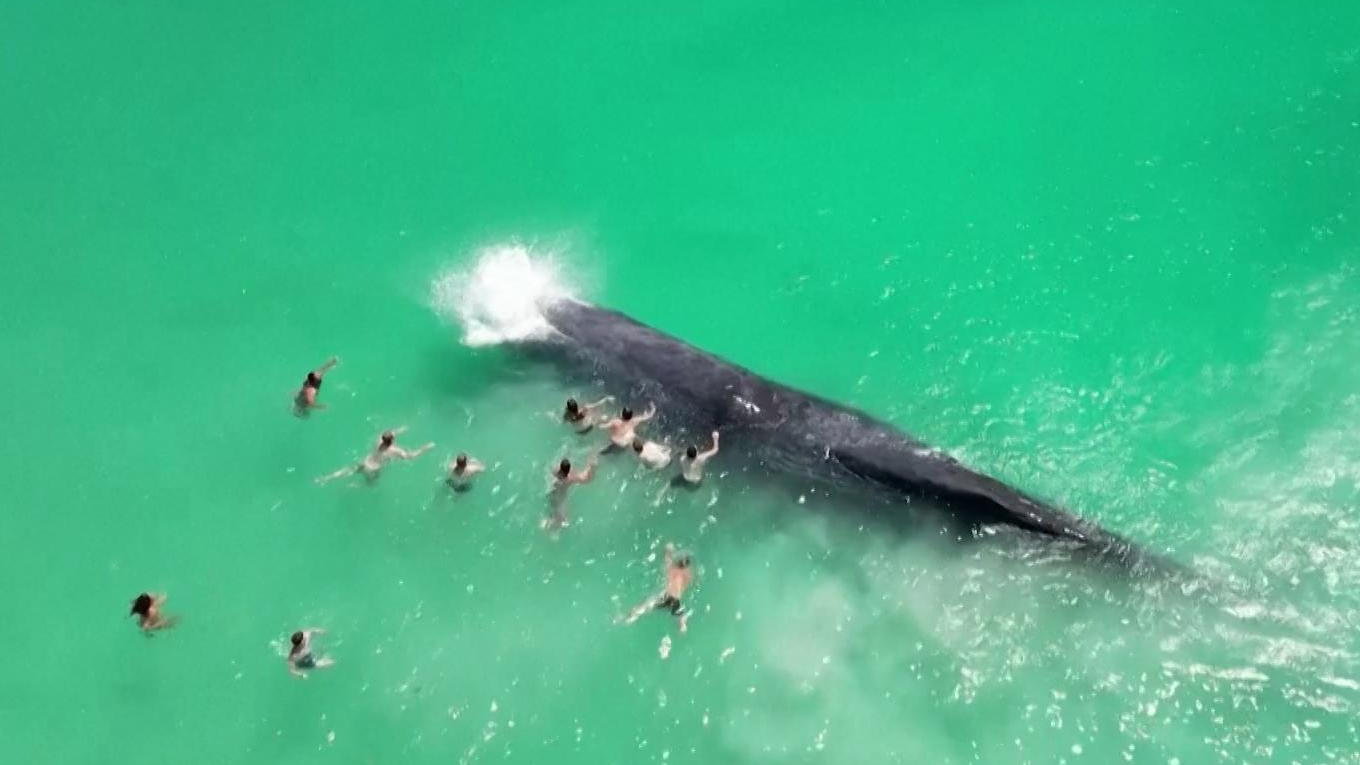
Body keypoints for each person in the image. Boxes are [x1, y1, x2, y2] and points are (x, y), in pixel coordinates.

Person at [316, 428, 434, 485]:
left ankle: (327, 478)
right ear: (392, 441)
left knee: (348, 470)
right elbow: (411, 456)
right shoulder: (394, 451)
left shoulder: (378, 440)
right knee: (369, 485)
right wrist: (425, 448)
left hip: (365, 463)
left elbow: (387, 433)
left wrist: (399, 431)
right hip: (373, 470)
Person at [621, 543, 694, 633]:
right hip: (676, 600)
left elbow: (667, 560)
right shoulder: (687, 575)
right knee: (681, 618)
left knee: (643, 606)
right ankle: (682, 627)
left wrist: (668, 550)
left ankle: (627, 618)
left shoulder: (671, 569)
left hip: (665, 597)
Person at [545, 457, 596, 529]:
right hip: (560, 498)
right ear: (568, 470)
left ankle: (549, 523)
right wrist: (591, 468)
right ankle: (552, 527)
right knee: (561, 516)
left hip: (551, 494)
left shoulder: (555, 472)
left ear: (560, 467)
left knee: (554, 512)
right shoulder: (569, 479)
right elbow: (585, 479)